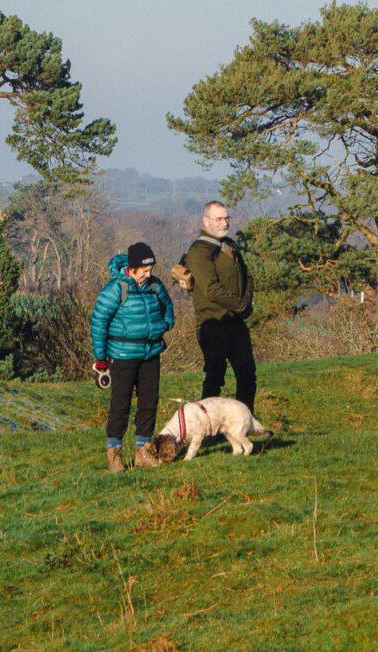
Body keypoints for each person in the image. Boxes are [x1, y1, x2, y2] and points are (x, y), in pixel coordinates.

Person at [91, 241, 175, 473]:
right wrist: (100, 360)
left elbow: (168, 307)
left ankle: (143, 451)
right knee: (120, 405)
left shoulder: (155, 286)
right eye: (144, 271)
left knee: (149, 403)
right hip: (122, 355)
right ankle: (114, 453)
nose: (148, 275)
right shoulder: (115, 289)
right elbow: (98, 323)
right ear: (132, 268)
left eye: (151, 270)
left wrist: (165, 325)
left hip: (151, 353)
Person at [186, 201, 256, 409]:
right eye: (219, 219)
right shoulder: (198, 251)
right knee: (215, 378)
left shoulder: (229, 245)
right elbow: (211, 289)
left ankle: (244, 422)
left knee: (247, 375)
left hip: (236, 323)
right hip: (212, 323)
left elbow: (247, 276)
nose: (224, 223)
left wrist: (244, 304)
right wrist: (242, 307)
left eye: (226, 218)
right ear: (206, 221)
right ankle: (207, 424)